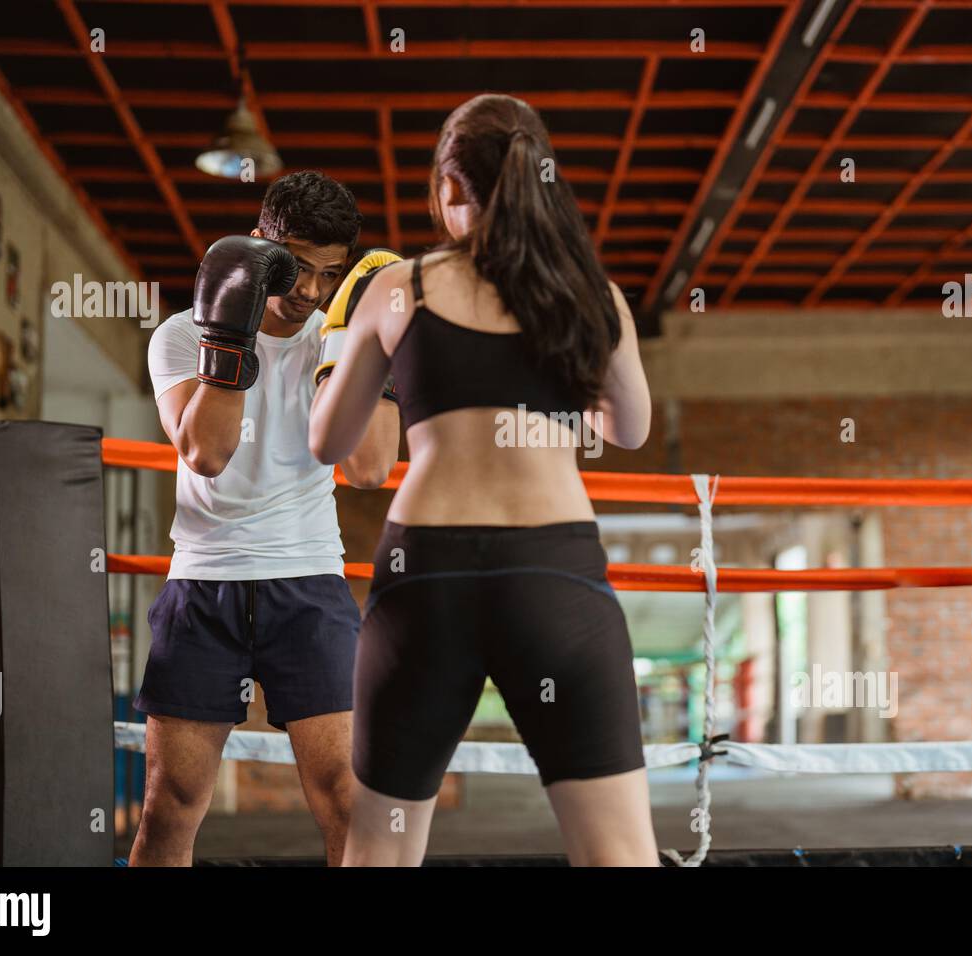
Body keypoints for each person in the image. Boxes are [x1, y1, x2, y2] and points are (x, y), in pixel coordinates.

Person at [308, 94, 658, 866]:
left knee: (381, 849)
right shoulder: (591, 295)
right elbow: (627, 430)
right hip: (553, 572)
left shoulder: (399, 285)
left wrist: (345, 332)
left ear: (448, 187)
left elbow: (330, 442)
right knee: (619, 854)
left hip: (426, 571)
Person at [132, 172, 399, 866]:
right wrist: (231, 332)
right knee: (170, 803)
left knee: (348, 796)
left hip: (309, 584)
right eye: (296, 268)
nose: (310, 291)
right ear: (258, 245)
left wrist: (371, 352)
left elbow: (369, 469)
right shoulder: (179, 335)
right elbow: (206, 453)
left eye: (329, 275)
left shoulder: (333, 338)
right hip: (204, 586)